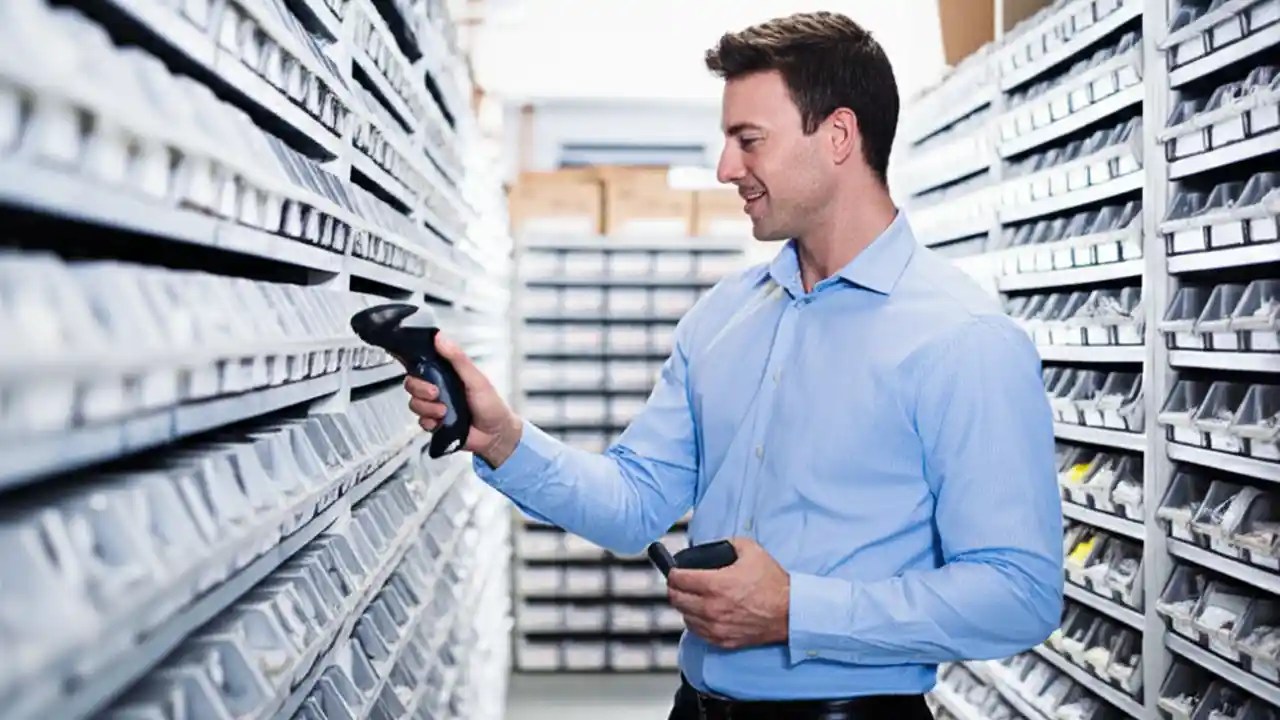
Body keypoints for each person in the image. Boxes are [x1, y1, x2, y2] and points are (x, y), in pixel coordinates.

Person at [406, 10, 1062, 720]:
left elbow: (1018, 594)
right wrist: (503, 439)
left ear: (838, 136)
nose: (725, 169)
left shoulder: (963, 337)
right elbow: (634, 505)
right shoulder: (724, 317)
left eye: (748, 141)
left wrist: (797, 610)